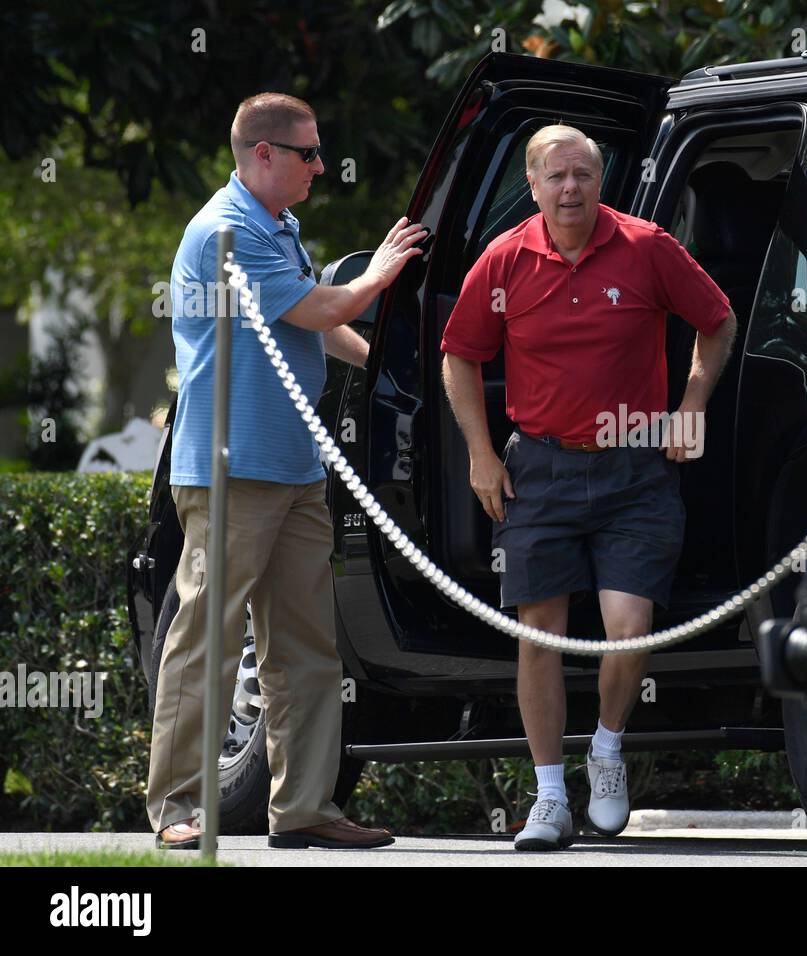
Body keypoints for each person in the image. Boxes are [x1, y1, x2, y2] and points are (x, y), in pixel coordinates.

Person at [441, 124, 737, 851]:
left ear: (600, 180)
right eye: (555, 176)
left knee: (629, 627)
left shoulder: (646, 247)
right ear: (534, 184)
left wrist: (690, 409)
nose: (570, 188)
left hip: (636, 465)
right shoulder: (505, 258)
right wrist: (480, 453)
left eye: (582, 175)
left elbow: (718, 320)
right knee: (537, 635)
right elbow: (459, 355)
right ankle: (547, 796)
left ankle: (606, 752)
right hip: (539, 467)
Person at [148, 92, 427, 850]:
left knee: (305, 645)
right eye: (307, 153)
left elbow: (316, 324)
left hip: (295, 466)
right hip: (232, 468)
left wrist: (387, 374)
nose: (319, 165)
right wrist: (386, 271)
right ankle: (176, 807)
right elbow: (319, 308)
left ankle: (304, 808)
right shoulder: (227, 232)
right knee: (205, 632)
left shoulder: (278, 226)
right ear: (261, 154)